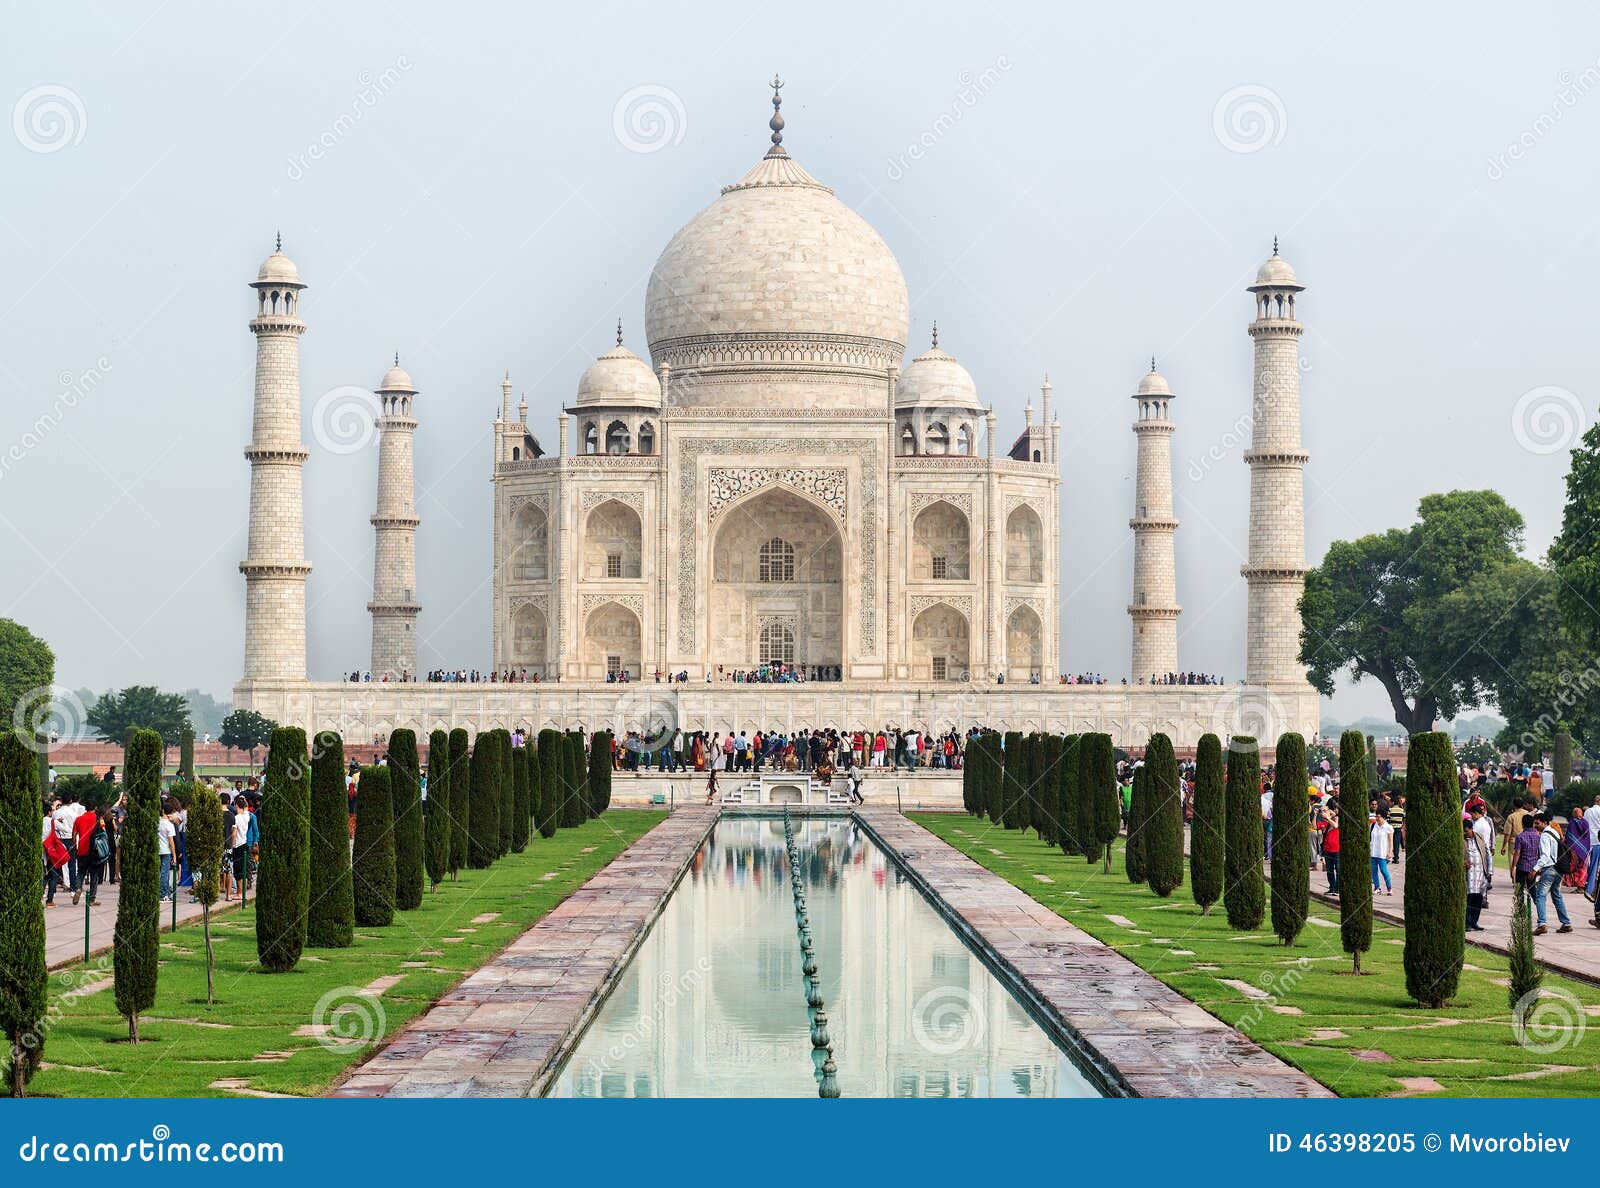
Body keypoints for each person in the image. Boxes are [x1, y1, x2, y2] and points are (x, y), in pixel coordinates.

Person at [1529, 812, 1573, 935]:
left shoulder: (1544, 836)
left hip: (1550, 868)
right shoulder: (1554, 832)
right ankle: (1566, 923)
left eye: (1537, 823)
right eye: (1534, 823)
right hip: (1559, 868)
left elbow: (1545, 856)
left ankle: (1542, 923)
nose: (1535, 826)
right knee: (1556, 895)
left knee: (1540, 896)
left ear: (1545, 823)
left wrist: (1534, 869)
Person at [72, 799, 103, 907]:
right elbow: (102, 834)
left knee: (80, 872)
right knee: (94, 875)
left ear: (85, 808)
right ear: (94, 808)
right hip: (94, 851)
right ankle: (92, 899)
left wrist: (75, 848)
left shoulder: (78, 819)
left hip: (82, 850)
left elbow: (74, 834)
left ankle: (78, 888)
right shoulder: (98, 819)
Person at [1465, 819, 1489, 931]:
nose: (1465, 834)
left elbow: (1487, 853)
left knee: (1478, 899)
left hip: (1481, 873)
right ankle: (1468, 923)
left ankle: (1474, 922)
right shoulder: (1461, 840)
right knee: (1469, 898)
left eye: (1466, 831)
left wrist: (1490, 871)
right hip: (1469, 874)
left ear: (1471, 829)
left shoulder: (1478, 837)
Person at [157, 798, 178, 902]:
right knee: (165, 874)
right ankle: (163, 894)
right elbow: (171, 842)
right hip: (166, 851)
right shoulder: (170, 825)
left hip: (158, 849)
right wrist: (174, 856)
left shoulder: (157, 822)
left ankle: (164, 892)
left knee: (160, 873)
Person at [1370, 811, 1394, 895]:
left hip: (1382, 853)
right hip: (1373, 852)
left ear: (1383, 818)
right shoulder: (1373, 825)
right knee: (1373, 871)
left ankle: (1389, 888)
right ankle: (1377, 887)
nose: (1377, 818)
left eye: (1378, 817)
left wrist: (1390, 852)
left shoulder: (1388, 827)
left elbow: (1391, 841)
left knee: (1384, 871)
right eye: (1376, 816)